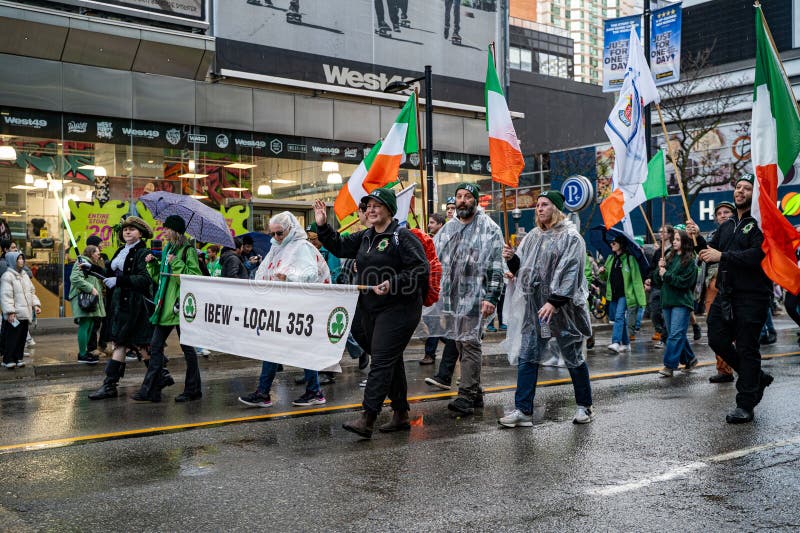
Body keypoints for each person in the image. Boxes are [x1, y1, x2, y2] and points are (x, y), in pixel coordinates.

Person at [314, 189, 429, 438]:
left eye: (377, 205)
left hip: (400, 308)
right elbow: (339, 246)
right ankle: (400, 414)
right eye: (368, 206)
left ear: (389, 209)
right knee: (388, 357)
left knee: (382, 359)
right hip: (370, 308)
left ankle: (368, 417)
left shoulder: (402, 236)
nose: (371, 210)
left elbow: (421, 268)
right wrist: (323, 226)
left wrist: (392, 283)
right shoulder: (365, 237)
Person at [498, 191, 594, 427]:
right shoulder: (532, 236)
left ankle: (585, 406)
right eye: (537, 205)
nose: (539, 209)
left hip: (563, 310)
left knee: (573, 357)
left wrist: (554, 301)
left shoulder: (571, 237)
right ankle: (523, 410)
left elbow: (571, 272)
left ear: (556, 209)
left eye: (545, 205)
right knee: (528, 355)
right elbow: (525, 266)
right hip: (536, 310)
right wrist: (511, 261)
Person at [687, 173, 774, 424]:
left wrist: (722, 256)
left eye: (747, 188)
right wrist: (696, 238)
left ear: (754, 194)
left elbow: (757, 255)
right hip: (726, 295)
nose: (740, 191)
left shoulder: (760, 224)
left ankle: (745, 403)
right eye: (738, 187)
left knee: (747, 348)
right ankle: (755, 376)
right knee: (717, 339)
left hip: (753, 296)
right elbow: (707, 252)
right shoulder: (726, 226)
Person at [421, 182, 504, 415]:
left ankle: (466, 396)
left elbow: (496, 266)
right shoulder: (449, 229)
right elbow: (435, 258)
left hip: (477, 298)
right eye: (459, 196)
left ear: (475, 201)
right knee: (458, 342)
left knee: (469, 343)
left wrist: (492, 297)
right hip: (453, 298)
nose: (462, 201)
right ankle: (475, 392)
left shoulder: (489, 229)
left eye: (468, 196)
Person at [238, 212, 332, 409]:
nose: (275, 237)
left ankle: (309, 391)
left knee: (290, 349)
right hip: (285, 306)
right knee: (275, 348)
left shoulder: (301, 247)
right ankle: (268, 392)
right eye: (273, 234)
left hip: (303, 308)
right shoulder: (278, 247)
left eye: (279, 233)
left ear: (290, 229)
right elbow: (265, 271)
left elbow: (309, 274)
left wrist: (289, 278)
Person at [136, 215, 203, 403]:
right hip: (164, 306)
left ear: (174, 231)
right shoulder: (168, 249)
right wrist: (153, 265)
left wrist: (176, 262)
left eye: (166, 229)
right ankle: (150, 389)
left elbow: (193, 277)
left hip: (181, 307)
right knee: (155, 347)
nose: (163, 232)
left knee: (188, 350)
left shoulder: (188, 250)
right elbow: (162, 279)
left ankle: (193, 390)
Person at [89, 216, 157, 400]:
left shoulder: (143, 252)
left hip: (135, 304)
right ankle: (158, 377)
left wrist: (120, 281)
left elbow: (145, 279)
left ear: (140, 234)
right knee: (128, 343)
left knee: (133, 344)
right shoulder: (121, 250)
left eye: (132, 229)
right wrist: (91, 268)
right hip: (120, 304)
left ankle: (112, 384)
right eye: (125, 229)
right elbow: (109, 274)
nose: (127, 231)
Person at [654, 229, 699, 377]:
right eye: (674, 239)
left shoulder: (690, 262)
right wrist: (659, 268)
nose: (674, 241)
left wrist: (666, 275)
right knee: (676, 334)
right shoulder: (669, 257)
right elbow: (658, 280)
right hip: (667, 301)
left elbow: (685, 282)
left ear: (685, 242)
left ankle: (669, 366)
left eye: (678, 239)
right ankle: (690, 359)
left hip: (681, 302)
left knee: (675, 334)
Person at [702, 202, 736, 382]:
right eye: (719, 213)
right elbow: (702, 255)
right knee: (715, 328)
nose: (722, 215)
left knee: (733, 328)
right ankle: (723, 370)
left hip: (731, 286)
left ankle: (743, 368)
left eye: (726, 212)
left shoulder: (738, 232)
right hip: (711, 285)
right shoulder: (712, 235)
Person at [599, 235, 646, 353]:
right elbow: (606, 277)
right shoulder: (610, 258)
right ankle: (626, 343)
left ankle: (616, 342)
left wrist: (640, 299)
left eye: (614, 243)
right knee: (617, 318)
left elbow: (636, 280)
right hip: (613, 294)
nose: (612, 244)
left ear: (621, 244)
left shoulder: (630, 259)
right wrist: (602, 272)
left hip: (625, 294)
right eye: (611, 243)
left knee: (619, 316)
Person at [1, 251, 41, 368]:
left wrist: (36, 305)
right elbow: (6, 296)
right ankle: (8, 359)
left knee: (21, 338)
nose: (21, 261)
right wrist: (10, 312)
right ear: (12, 261)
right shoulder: (7, 276)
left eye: (22, 258)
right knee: (12, 338)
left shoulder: (24, 275)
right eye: (19, 259)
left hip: (25, 313)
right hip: (15, 314)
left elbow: (31, 292)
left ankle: (18, 358)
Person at [69, 245, 106, 365]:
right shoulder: (82, 262)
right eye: (97, 252)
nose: (99, 255)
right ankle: (82, 354)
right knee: (85, 324)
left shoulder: (89, 264)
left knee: (89, 324)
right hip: (84, 298)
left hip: (90, 299)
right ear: (91, 253)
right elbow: (74, 278)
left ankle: (85, 352)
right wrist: (91, 289)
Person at [420, 211, 448, 365]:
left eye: (432, 222)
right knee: (430, 318)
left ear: (440, 224)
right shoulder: (432, 239)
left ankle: (430, 353)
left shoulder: (444, 240)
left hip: (441, 285)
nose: (429, 225)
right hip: (433, 283)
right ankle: (449, 339)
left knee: (433, 318)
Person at [649, 225, 675, 347]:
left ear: (670, 234)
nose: (660, 234)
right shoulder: (658, 251)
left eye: (663, 232)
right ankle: (660, 331)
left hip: (668, 285)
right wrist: (649, 278)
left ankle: (665, 338)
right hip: (657, 286)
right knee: (654, 311)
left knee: (666, 313)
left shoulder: (674, 250)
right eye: (659, 231)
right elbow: (652, 267)